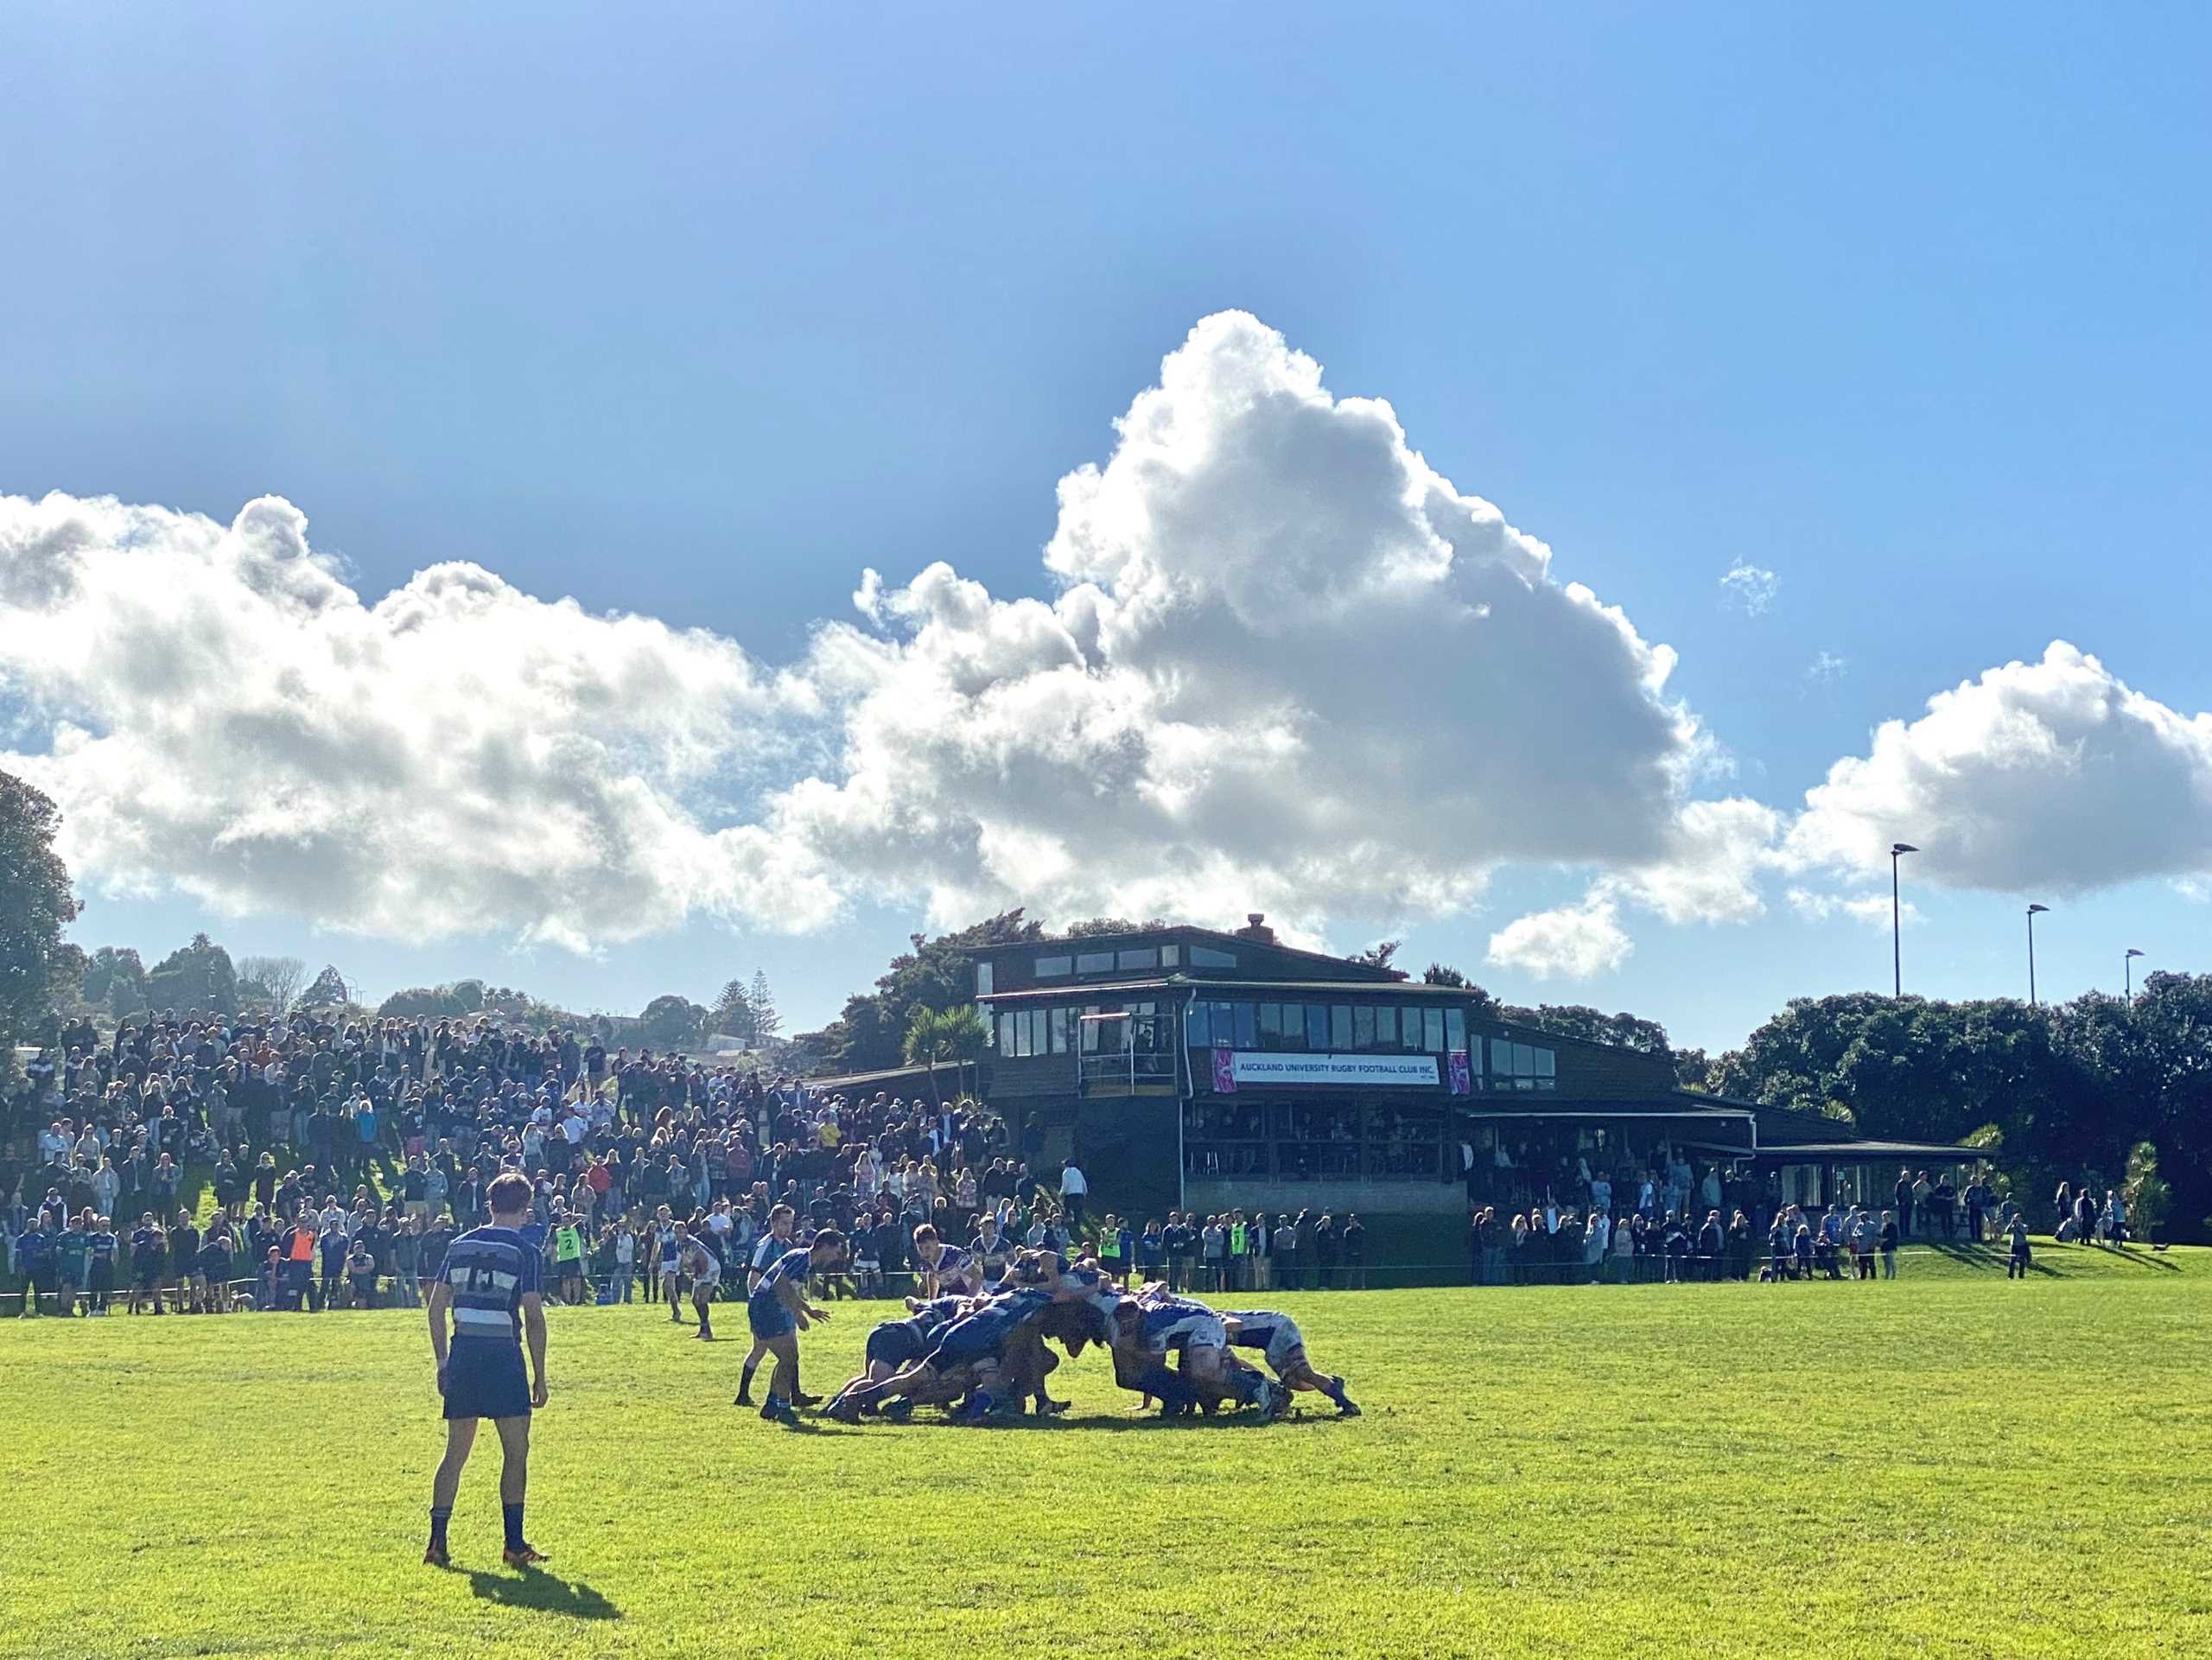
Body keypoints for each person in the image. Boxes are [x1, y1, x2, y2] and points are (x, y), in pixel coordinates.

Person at [423, 1172, 548, 1570]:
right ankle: (513, 1543)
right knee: (516, 1451)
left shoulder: (459, 1245)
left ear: (489, 1203)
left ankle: (437, 1542)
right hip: (502, 1357)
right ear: (525, 1209)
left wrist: (443, 1361)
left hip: (464, 1355)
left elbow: (436, 1308)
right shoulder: (524, 1250)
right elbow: (532, 1315)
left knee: (455, 1453)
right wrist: (540, 1374)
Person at [740, 1229, 846, 1424]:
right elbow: (780, 1283)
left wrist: (808, 1310)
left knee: (788, 1358)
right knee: (788, 1358)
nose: (835, 1258)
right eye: (836, 1252)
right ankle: (783, 1408)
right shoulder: (802, 1258)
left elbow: (789, 1289)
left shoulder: (804, 1260)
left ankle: (772, 1404)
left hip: (771, 1307)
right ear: (825, 1246)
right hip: (766, 1308)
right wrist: (798, 1315)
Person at [1222, 1307, 1359, 1415]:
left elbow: (1235, 1325)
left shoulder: (1213, 1319)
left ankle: (1347, 1404)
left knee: (1303, 1372)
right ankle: (1333, 1384)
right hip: (1269, 1341)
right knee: (1292, 1381)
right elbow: (1235, 1360)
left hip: (1278, 1328)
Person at [678, 1229, 721, 1339]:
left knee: (702, 1300)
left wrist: (701, 1275)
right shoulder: (681, 1245)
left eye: (681, 1231)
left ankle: (707, 1331)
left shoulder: (692, 1244)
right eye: (677, 1232)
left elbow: (703, 1260)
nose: (679, 1234)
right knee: (694, 1300)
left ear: (686, 1232)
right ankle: (703, 1329)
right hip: (700, 1270)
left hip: (710, 1269)